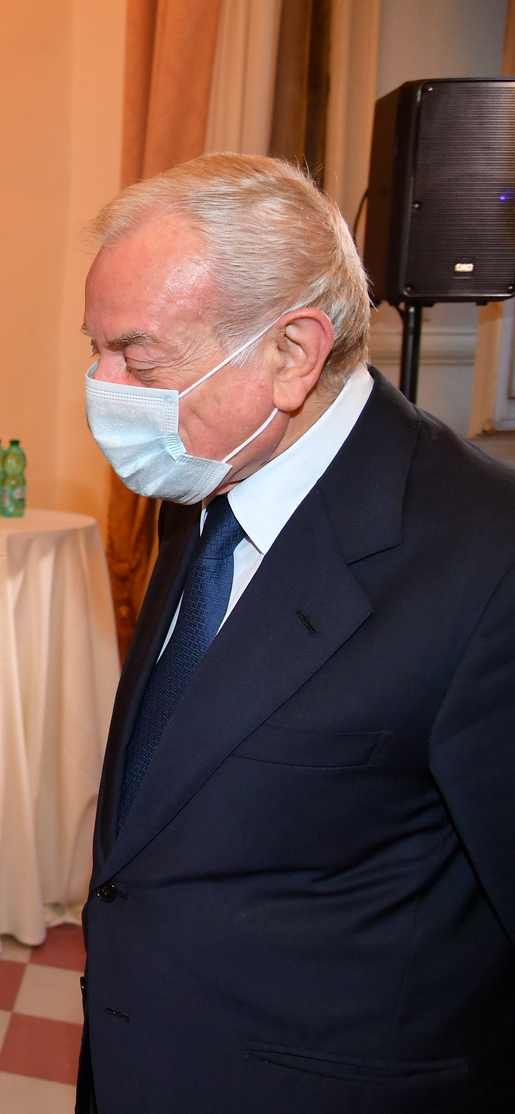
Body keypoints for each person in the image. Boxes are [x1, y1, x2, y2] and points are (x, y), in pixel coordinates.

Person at [77, 153, 515, 1112]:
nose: (103, 385)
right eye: (97, 347)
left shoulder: (488, 561)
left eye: (139, 354)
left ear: (292, 352)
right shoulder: (202, 475)